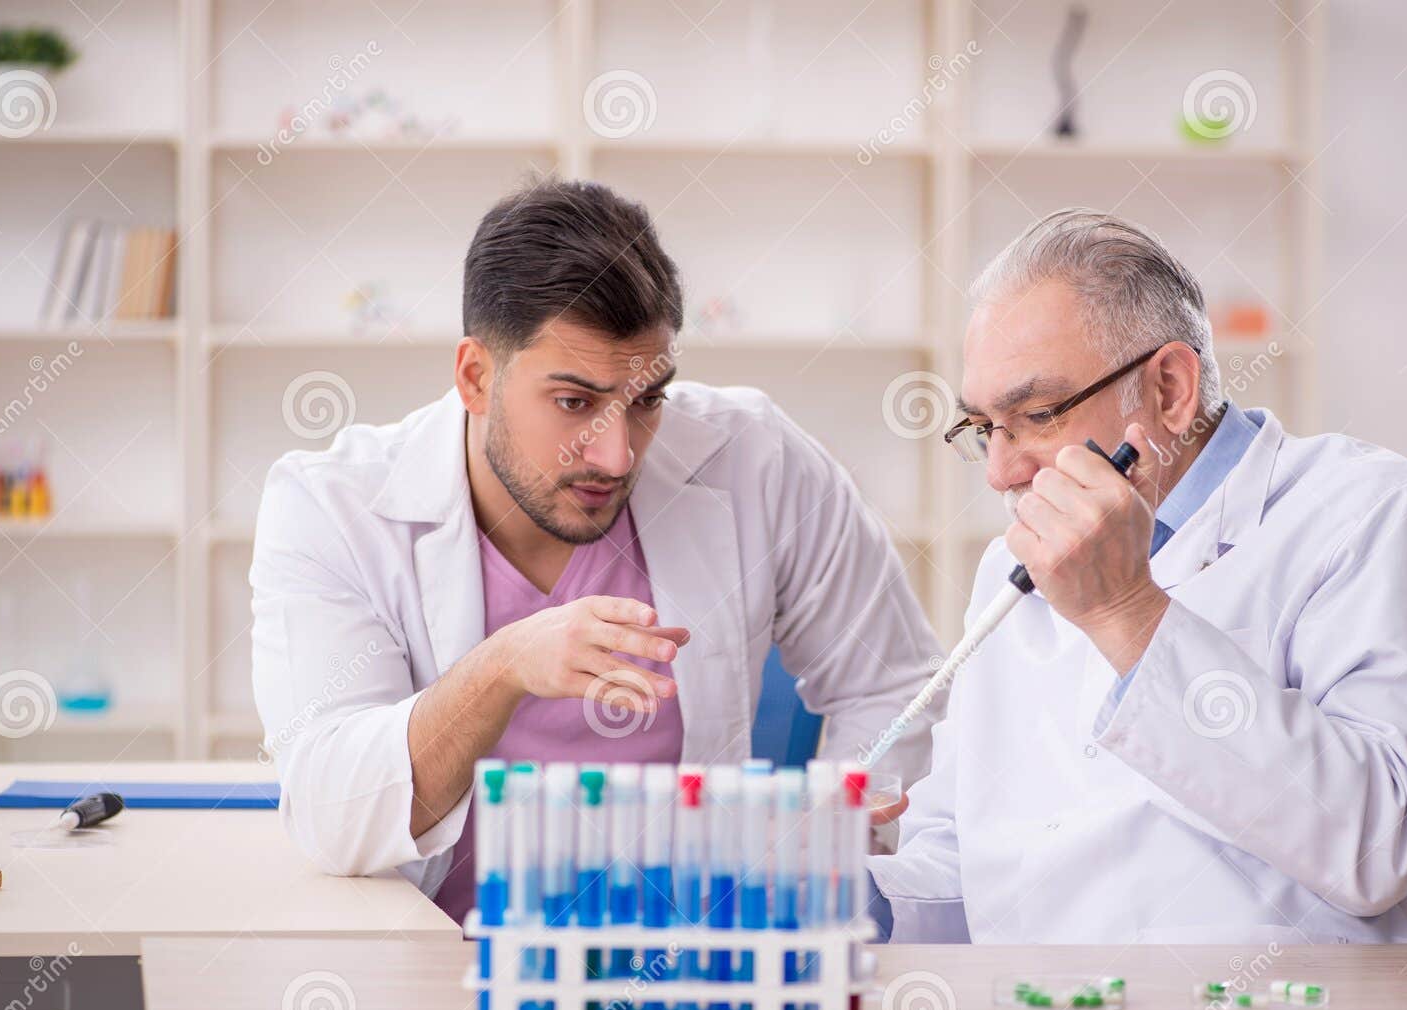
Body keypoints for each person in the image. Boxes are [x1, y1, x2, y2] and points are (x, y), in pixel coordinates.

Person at [250, 178, 939, 920]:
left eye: (646, 400)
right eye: (574, 403)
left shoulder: (756, 457)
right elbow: (332, 812)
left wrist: (819, 849)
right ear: (476, 377)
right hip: (441, 969)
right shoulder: (330, 505)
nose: (616, 455)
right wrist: (504, 666)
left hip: (694, 964)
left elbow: (895, 684)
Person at [869, 208, 1407, 944]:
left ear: (1171, 389)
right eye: (985, 428)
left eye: (1036, 414)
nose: (1000, 471)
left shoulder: (1378, 517)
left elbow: (1377, 846)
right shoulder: (1012, 570)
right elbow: (966, 869)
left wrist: (1126, 612)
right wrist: (856, 899)